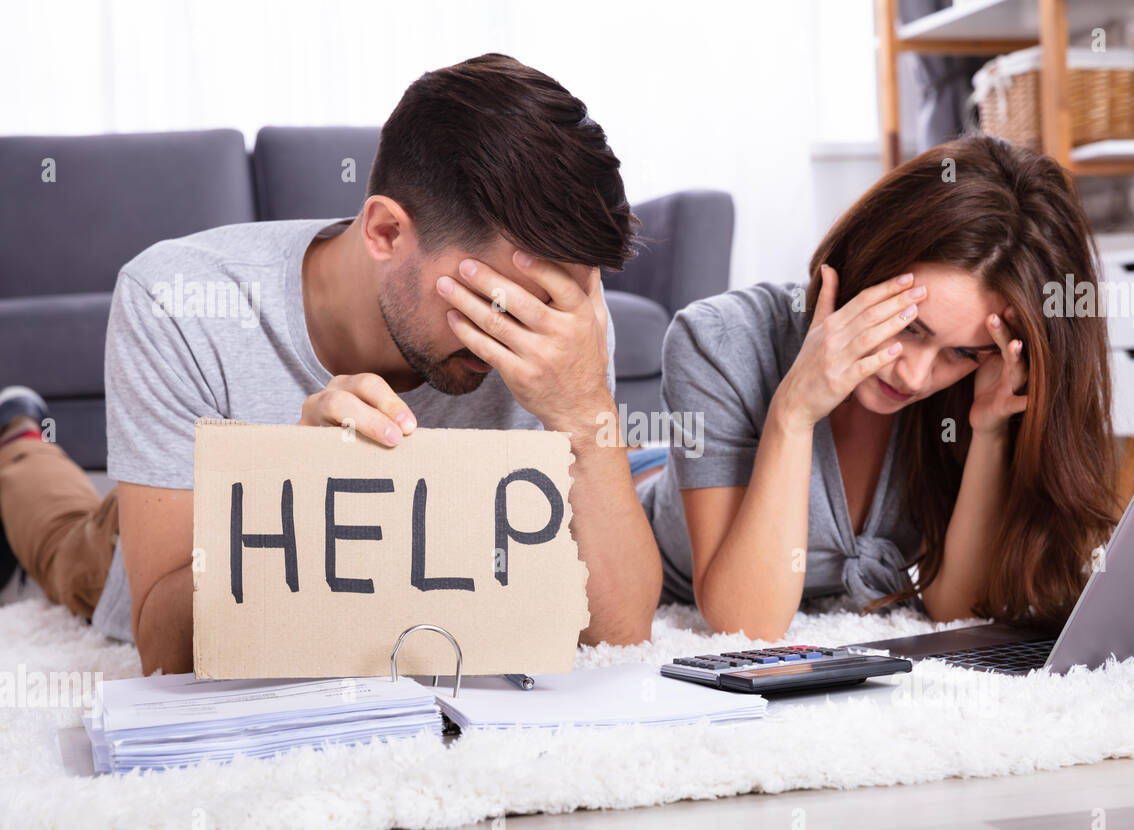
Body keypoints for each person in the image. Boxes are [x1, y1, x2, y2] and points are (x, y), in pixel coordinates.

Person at [0, 53, 663, 674]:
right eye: (495, 305)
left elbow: (620, 637)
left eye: (549, 302)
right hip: (187, 517)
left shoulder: (562, 331)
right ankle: (18, 440)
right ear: (384, 232)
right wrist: (298, 491)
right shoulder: (177, 298)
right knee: (62, 543)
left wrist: (585, 416)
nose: (526, 329)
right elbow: (166, 647)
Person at [636, 135, 1121, 642]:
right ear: (864, 258)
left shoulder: (965, 395)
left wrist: (990, 433)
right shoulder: (717, 339)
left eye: (962, 352)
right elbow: (745, 625)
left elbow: (955, 608)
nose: (913, 377)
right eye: (909, 328)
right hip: (646, 488)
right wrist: (793, 413)